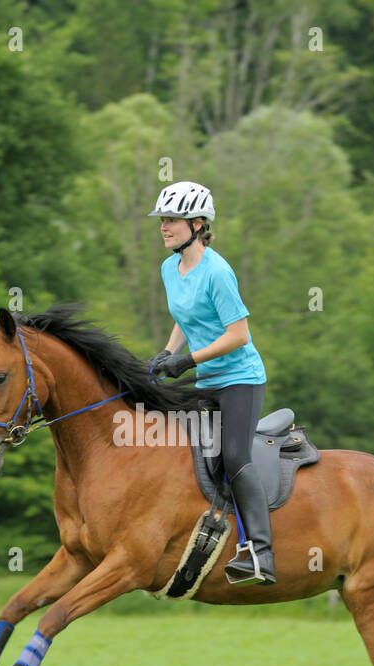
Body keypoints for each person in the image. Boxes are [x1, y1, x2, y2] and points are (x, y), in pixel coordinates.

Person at [145, 181, 275, 585]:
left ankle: (260, 552)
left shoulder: (218, 272)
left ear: (197, 224)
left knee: (234, 456)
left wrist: (186, 360)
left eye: (171, 220)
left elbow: (238, 336)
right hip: (204, 378)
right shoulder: (171, 267)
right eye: (162, 220)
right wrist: (168, 352)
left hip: (239, 380)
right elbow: (185, 316)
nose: (164, 227)